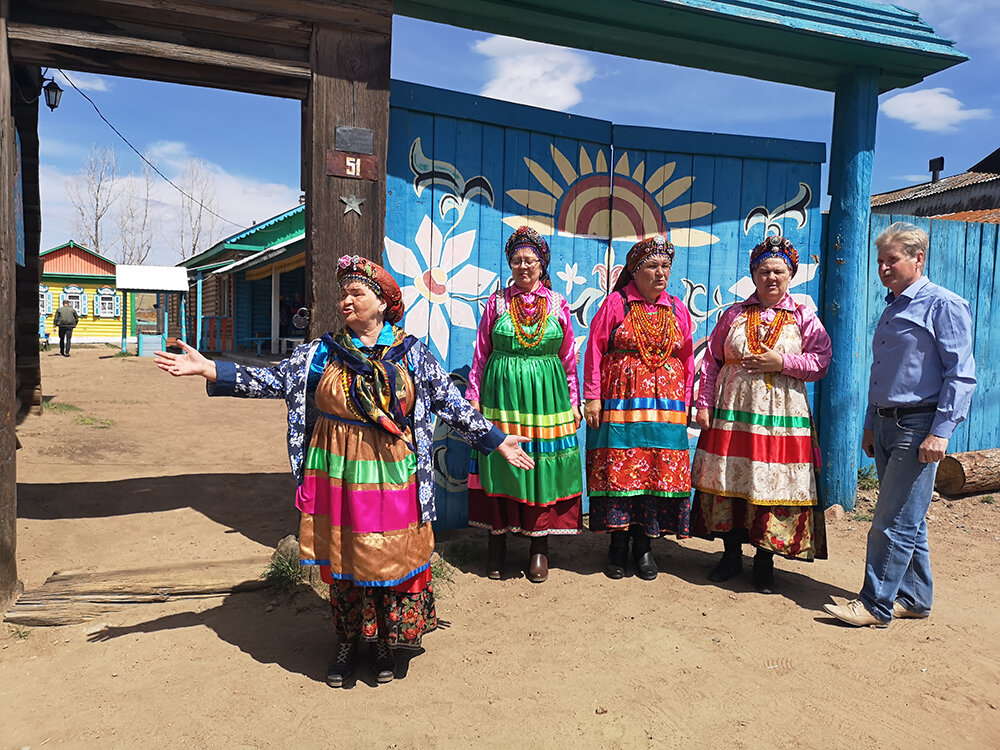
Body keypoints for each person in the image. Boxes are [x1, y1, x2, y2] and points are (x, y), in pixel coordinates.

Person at [153, 255, 534, 685]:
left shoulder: (412, 354)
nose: (345, 301)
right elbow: (274, 380)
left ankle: (386, 642)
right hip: (337, 474)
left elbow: (450, 403)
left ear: (383, 303)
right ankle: (348, 640)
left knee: (386, 559)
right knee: (345, 559)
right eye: (343, 294)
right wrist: (210, 368)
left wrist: (496, 439)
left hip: (393, 477)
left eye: (357, 293)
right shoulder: (322, 353)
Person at [824, 222, 975, 627]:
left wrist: (941, 431)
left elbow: (960, 375)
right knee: (909, 517)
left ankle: (875, 605)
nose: (885, 267)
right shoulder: (893, 306)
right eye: (880, 261)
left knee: (891, 519)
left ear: (918, 259)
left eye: (893, 259)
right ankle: (915, 597)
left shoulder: (943, 305)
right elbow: (883, 371)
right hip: (889, 424)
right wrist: (872, 423)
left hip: (918, 424)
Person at [691, 235, 831, 594]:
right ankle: (730, 554)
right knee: (731, 479)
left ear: (791, 275)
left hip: (780, 416)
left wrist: (782, 361)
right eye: (764, 271)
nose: (772, 277)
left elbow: (820, 361)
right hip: (733, 413)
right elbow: (711, 363)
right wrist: (703, 404)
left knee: (770, 481)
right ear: (754, 274)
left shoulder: (804, 317)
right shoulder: (733, 315)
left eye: (779, 272)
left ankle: (764, 561)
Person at [466, 226, 583, 583]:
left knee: (540, 470)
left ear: (541, 264)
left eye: (530, 259)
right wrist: (474, 398)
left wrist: (575, 401)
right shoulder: (496, 302)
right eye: (516, 260)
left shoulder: (558, 304)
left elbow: (568, 359)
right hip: (502, 399)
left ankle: (538, 548)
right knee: (501, 465)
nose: (523, 266)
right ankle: (496, 545)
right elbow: (481, 354)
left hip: (547, 399)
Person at [583, 234, 694, 581]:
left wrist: (687, 400)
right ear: (634, 272)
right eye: (652, 266)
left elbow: (688, 357)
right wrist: (592, 396)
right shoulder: (616, 304)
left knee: (656, 469)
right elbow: (595, 350)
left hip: (666, 407)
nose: (661, 273)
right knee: (620, 466)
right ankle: (618, 545)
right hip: (621, 403)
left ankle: (645, 545)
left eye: (666, 266)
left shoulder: (676, 308)